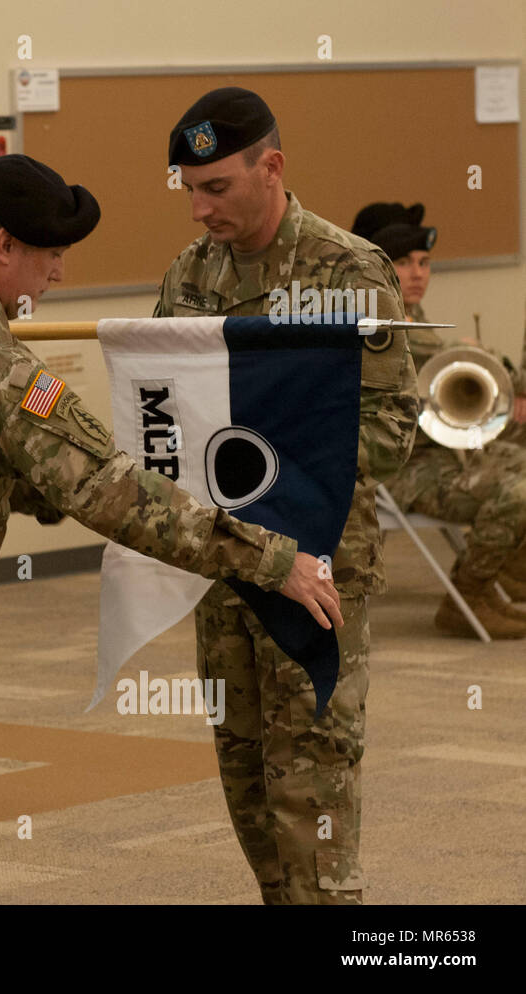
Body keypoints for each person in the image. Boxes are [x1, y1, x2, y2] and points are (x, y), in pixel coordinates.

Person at [0, 153, 343, 905]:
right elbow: (116, 494)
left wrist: (26, 479)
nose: (60, 275)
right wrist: (274, 560)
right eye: (50, 254)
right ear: (4, 246)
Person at [154, 88, 419, 905]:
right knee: (244, 769)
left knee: (312, 778)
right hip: (227, 573)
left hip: (315, 572)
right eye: (188, 189)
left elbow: (390, 423)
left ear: (271, 168)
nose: (199, 209)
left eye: (217, 188)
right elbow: (162, 410)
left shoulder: (349, 271)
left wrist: (284, 489)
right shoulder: (191, 276)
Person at [352, 203, 526, 634]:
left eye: (424, 263)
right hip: (406, 468)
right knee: (518, 492)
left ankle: (506, 576)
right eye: (404, 263)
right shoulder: (376, 325)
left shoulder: (415, 317)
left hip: (443, 454)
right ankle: (467, 595)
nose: (418, 273)